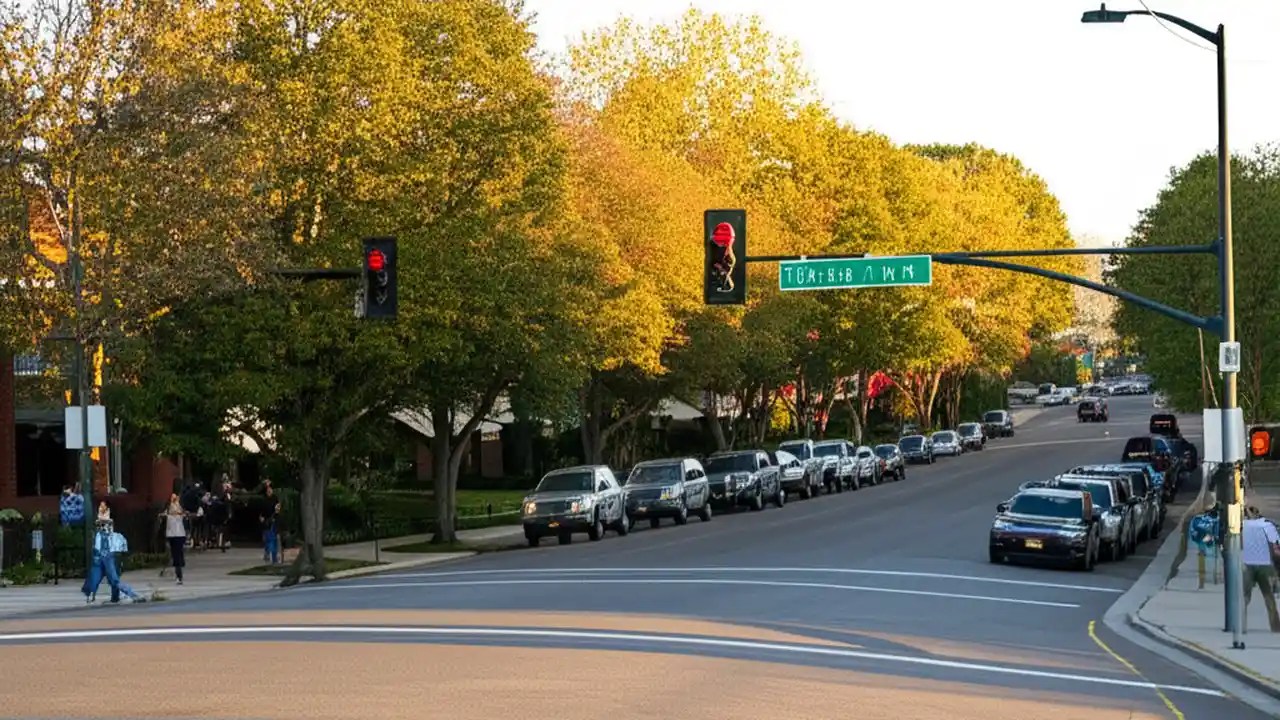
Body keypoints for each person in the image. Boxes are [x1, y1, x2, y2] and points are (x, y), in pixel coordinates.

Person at [1241, 506, 1280, 633]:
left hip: (1250, 566)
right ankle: (1275, 627)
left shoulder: (1242, 526)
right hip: (1262, 565)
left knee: (1245, 597)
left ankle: (1241, 625)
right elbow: (1276, 548)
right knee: (1268, 597)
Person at [161, 494, 188, 584]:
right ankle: (179, 569)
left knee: (177, 554)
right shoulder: (169, 513)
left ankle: (179, 573)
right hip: (173, 535)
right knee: (176, 553)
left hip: (178, 535)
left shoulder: (179, 512)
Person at [260, 487, 280, 565]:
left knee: (272, 539)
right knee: (267, 538)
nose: (269, 492)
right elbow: (261, 510)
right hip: (265, 521)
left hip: (272, 521)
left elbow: (277, 510)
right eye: (268, 491)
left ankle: (273, 557)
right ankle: (267, 552)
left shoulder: (275, 499)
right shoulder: (264, 500)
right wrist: (261, 517)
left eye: (270, 490)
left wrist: (275, 517)